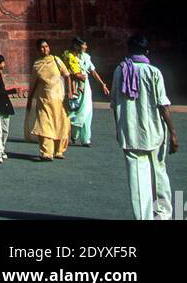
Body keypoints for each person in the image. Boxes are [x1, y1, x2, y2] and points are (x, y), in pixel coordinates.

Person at [110, 33, 178, 220]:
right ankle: (163, 215)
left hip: (130, 133)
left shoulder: (120, 71)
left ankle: (144, 218)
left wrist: (119, 129)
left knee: (138, 179)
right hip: (155, 131)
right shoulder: (153, 72)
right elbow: (163, 105)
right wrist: (173, 133)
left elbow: (114, 103)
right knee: (159, 173)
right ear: (147, 51)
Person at [24, 38, 71, 160]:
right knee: (44, 125)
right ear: (38, 50)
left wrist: (70, 92)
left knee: (61, 123)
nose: (44, 49)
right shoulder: (37, 65)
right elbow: (33, 84)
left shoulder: (56, 60)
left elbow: (67, 76)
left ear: (49, 47)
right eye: (41, 47)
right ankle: (46, 152)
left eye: (46, 46)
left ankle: (59, 151)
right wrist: (29, 100)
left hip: (59, 99)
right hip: (44, 99)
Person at [64, 36, 109, 146]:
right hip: (75, 87)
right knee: (75, 111)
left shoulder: (86, 57)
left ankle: (86, 139)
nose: (86, 47)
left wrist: (102, 84)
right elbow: (68, 73)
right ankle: (74, 133)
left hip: (86, 86)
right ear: (77, 46)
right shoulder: (69, 57)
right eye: (83, 45)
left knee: (87, 112)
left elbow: (93, 71)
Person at [0, 53, 21, 163]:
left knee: (5, 130)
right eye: (2, 62)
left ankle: (2, 148)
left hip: (4, 105)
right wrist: (13, 91)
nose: (4, 64)